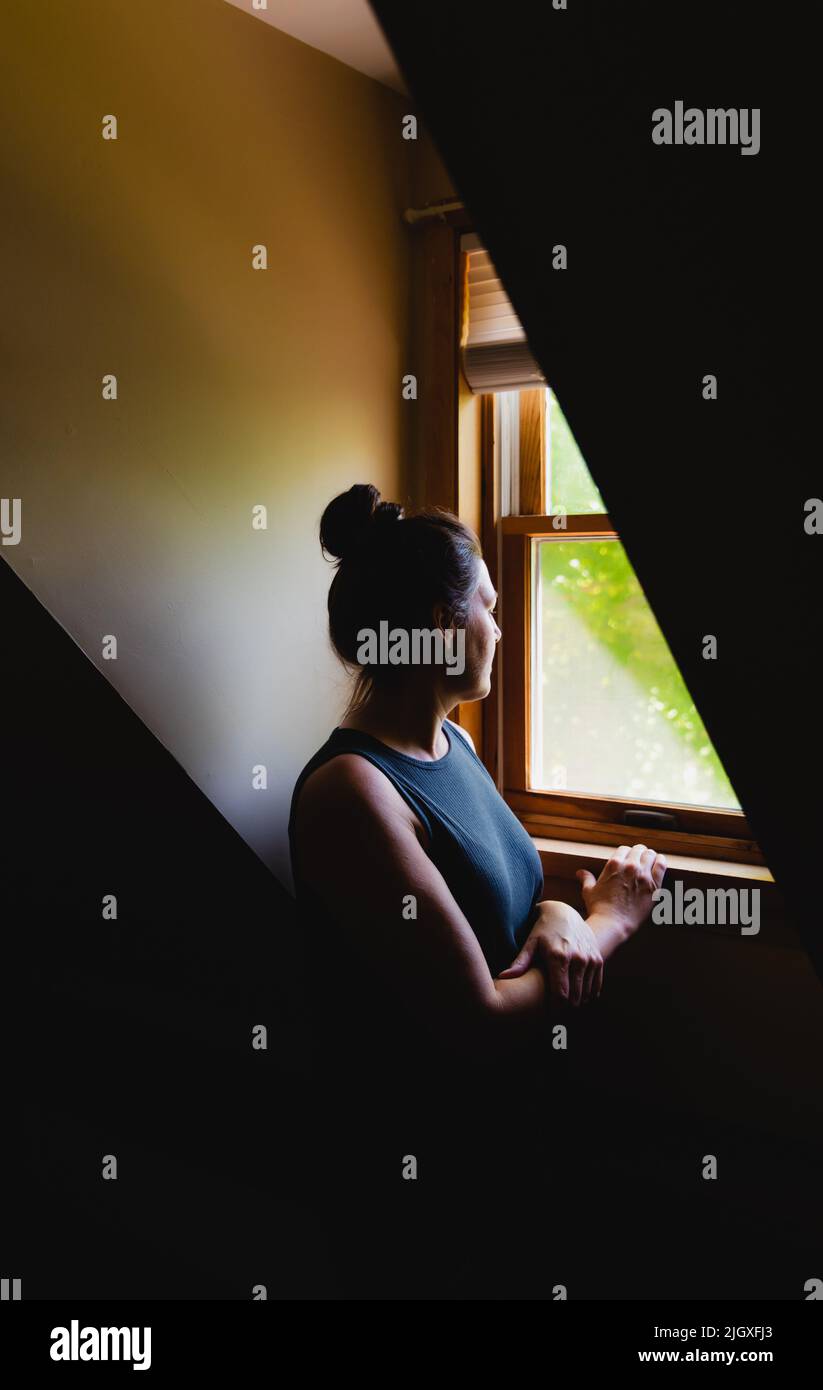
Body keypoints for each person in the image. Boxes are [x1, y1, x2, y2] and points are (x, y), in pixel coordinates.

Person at [288, 483, 666, 1299]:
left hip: (507, 1143)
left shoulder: (451, 745)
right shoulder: (353, 794)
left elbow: (520, 893)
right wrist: (611, 922)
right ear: (436, 623)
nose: (500, 628)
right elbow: (478, 1022)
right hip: (420, 1177)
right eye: (488, 606)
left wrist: (563, 915)